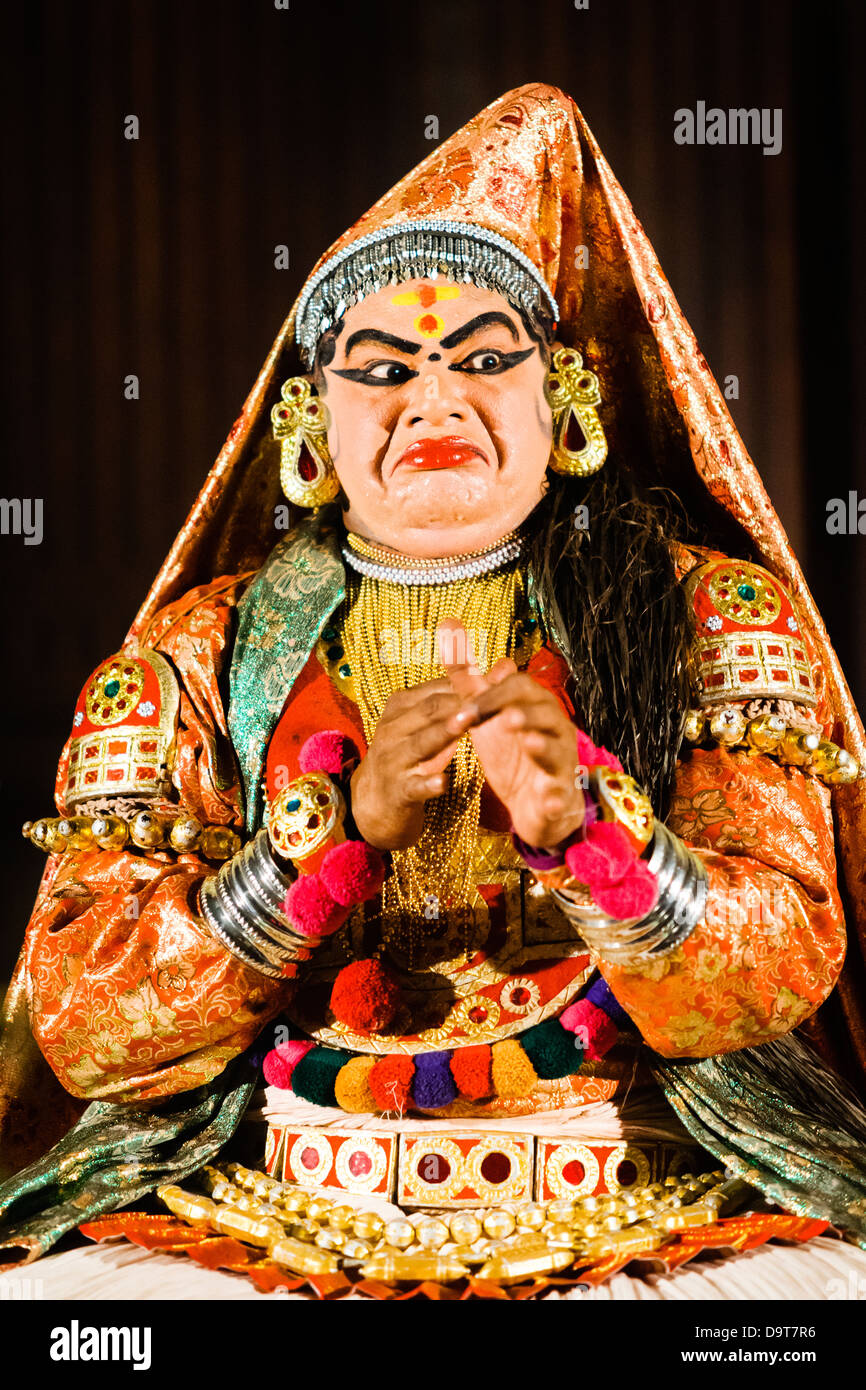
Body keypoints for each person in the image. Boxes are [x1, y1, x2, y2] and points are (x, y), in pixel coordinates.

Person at [2, 82, 866, 1295]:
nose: (435, 399)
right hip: (265, 1203)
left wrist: (596, 838)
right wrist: (321, 849)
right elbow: (84, 1019)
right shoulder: (191, 660)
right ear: (311, 421)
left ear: (558, 393)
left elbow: (784, 957)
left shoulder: (712, 618)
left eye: (481, 358)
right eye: (383, 367)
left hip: (643, 1193)